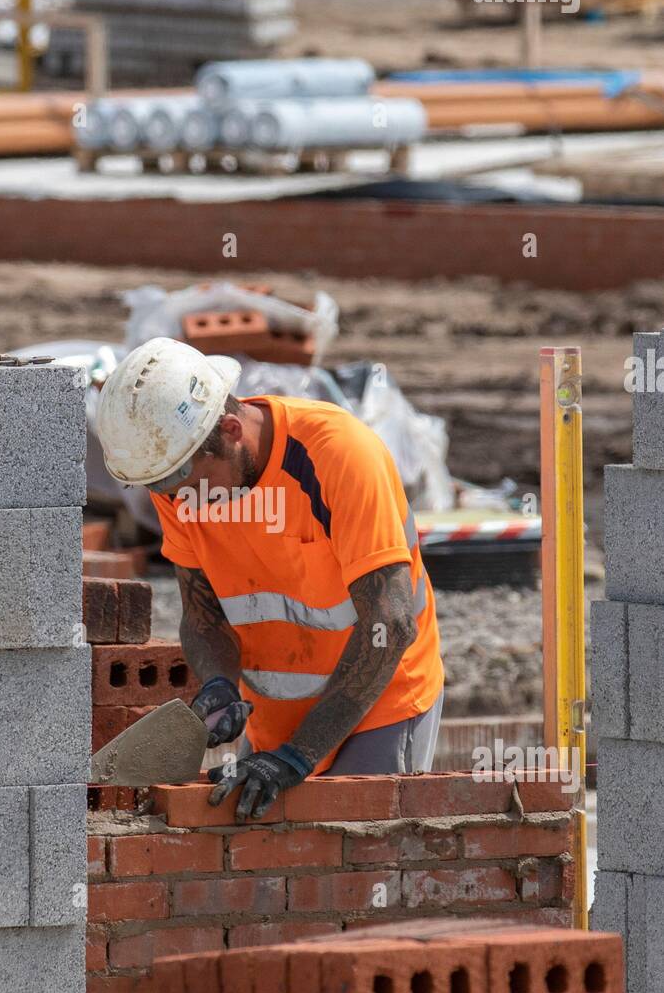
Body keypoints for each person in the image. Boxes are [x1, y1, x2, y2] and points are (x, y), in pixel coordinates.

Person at [97, 337, 444, 822]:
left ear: (232, 431)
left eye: (185, 482)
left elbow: (390, 626)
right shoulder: (178, 481)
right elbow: (202, 614)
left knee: (358, 876)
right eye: (161, 486)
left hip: (377, 706)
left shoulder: (338, 456)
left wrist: (297, 757)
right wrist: (219, 683)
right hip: (277, 719)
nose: (178, 500)